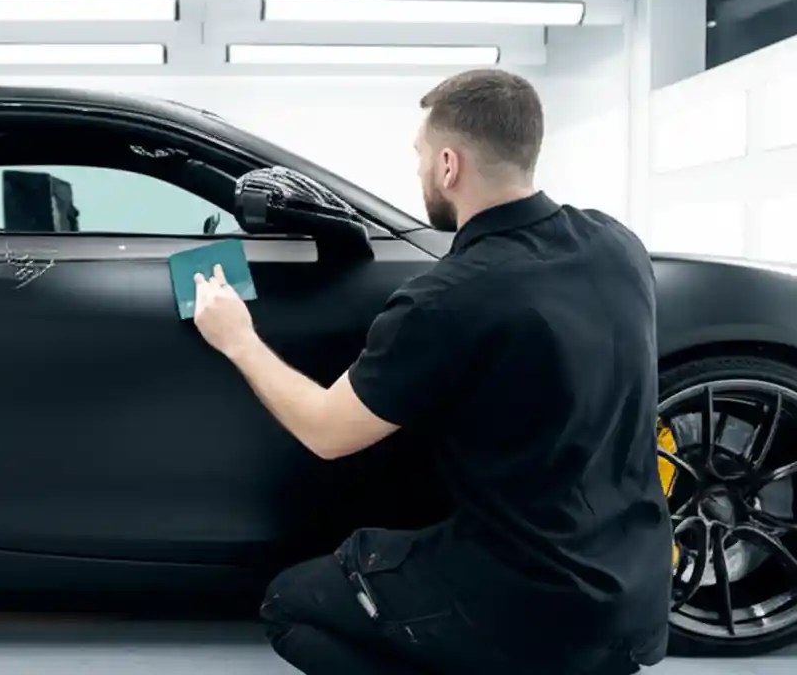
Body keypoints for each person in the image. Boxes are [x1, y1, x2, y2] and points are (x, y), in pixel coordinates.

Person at [191, 68, 673, 674]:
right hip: (638, 604)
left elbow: (325, 431)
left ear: (449, 164)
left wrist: (237, 339)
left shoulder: (447, 297)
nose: (418, 170)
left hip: (534, 607)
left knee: (291, 605)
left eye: (419, 155)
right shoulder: (617, 244)